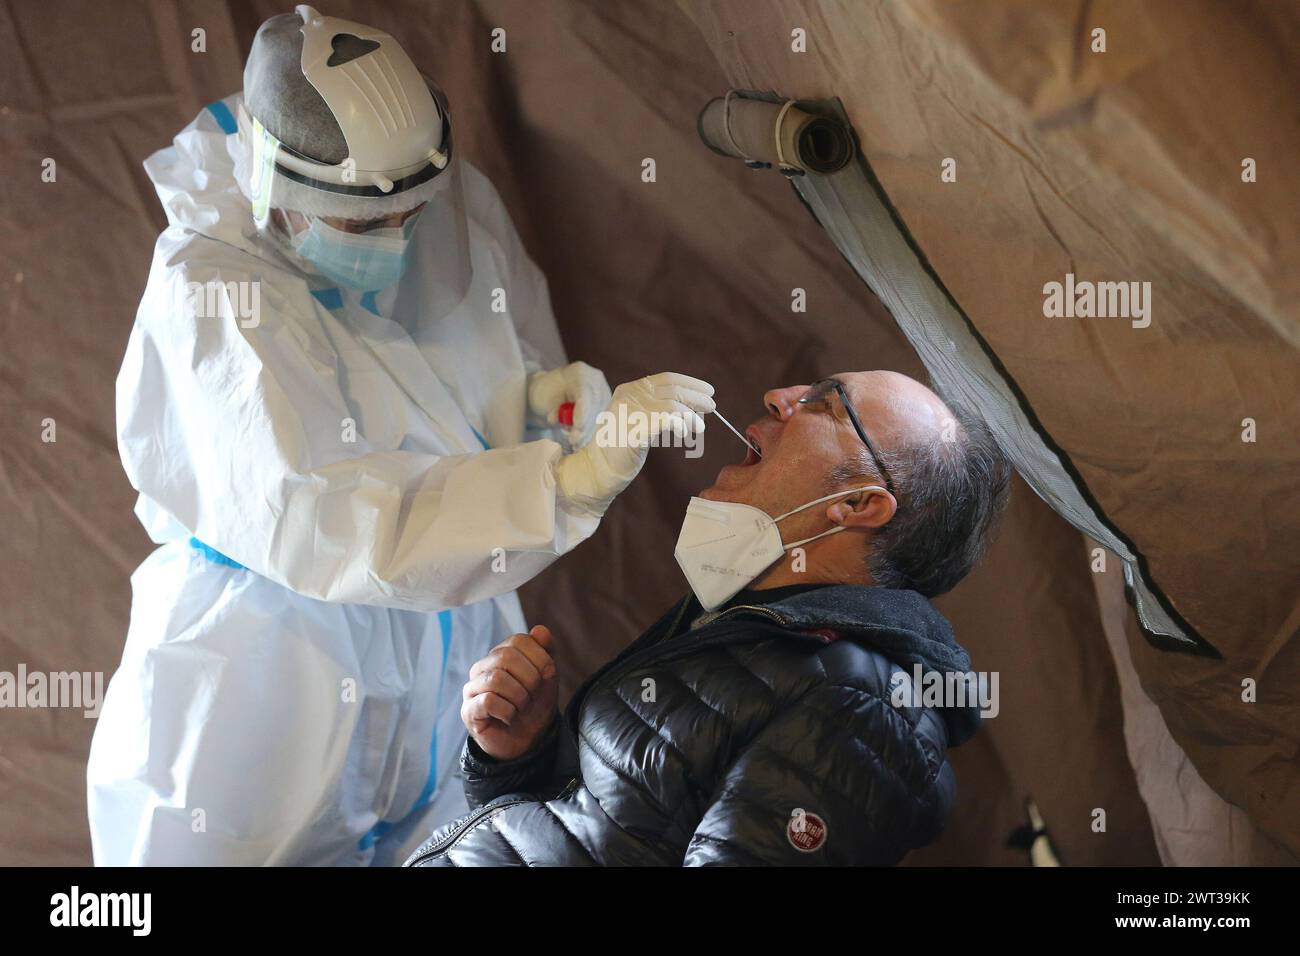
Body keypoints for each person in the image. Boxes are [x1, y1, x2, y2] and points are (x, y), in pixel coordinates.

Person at [86, 5, 713, 866]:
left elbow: (442, 375)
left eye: (408, 215)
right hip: (277, 647)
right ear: (275, 184)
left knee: (450, 841)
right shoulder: (214, 289)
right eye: (364, 226)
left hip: (448, 619)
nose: (399, 238)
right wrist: (555, 489)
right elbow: (323, 513)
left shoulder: (425, 191)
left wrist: (533, 407)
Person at [406, 371, 1011, 866]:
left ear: (855, 505)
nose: (778, 395)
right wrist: (520, 755)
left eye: (826, 404)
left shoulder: (869, 706)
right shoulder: (746, 634)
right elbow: (597, 838)